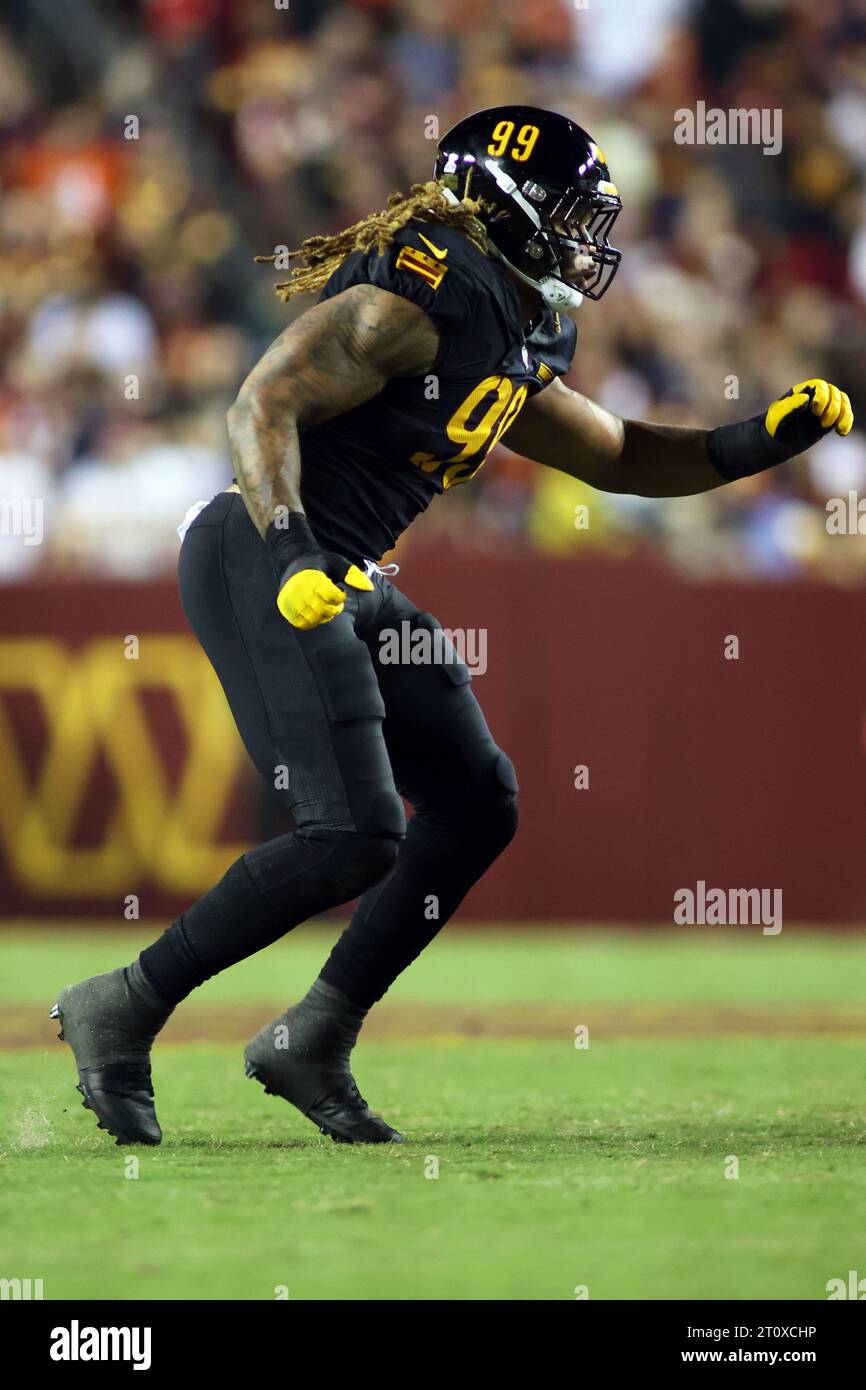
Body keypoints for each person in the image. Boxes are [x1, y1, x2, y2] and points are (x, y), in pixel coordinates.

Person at [51, 106, 853, 1147]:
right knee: (350, 834)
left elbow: (615, 454)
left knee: (477, 802)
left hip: (344, 571)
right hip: (267, 555)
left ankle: (315, 1033)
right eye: (568, 211)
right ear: (497, 197)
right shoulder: (424, 285)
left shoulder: (516, 314)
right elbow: (259, 403)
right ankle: (121, 1003)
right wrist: (294, 550)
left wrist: (757, 440)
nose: (584, 235)